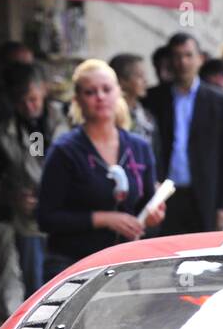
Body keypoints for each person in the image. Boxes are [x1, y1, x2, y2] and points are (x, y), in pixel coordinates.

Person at [38, 59, 163, 274]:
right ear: (77, 99)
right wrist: (103, 219)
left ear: (118, 93)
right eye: (90, 92)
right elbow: (46, 218)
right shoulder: (65, 151)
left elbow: (146, 213)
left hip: (126, 266)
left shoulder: (139, 147)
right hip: (74, 266)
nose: (100, 97)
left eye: (106, 89)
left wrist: (153, 218)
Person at [0, 61, 69, 319]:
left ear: (43, 90)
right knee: (34, 284)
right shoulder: (3, 131)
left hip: (65, 214)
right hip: (25, 220)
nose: (30, 107)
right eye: (22, 102)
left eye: (33, 99)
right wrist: (11, 196)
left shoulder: (64, 119)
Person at [144, 33, 223, 235]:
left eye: (188, 55)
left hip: (203, 194)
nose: (183, 62)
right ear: (170, 60)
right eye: (177, 56)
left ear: (200, 59)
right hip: (164, 195)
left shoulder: (219, 101)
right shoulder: (154, 98)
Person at [109, 53, 156, 141]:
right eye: (139, 76)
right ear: (121, 81)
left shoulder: (146, 115)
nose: (145, 81)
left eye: (144, 75)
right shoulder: (109, 116)